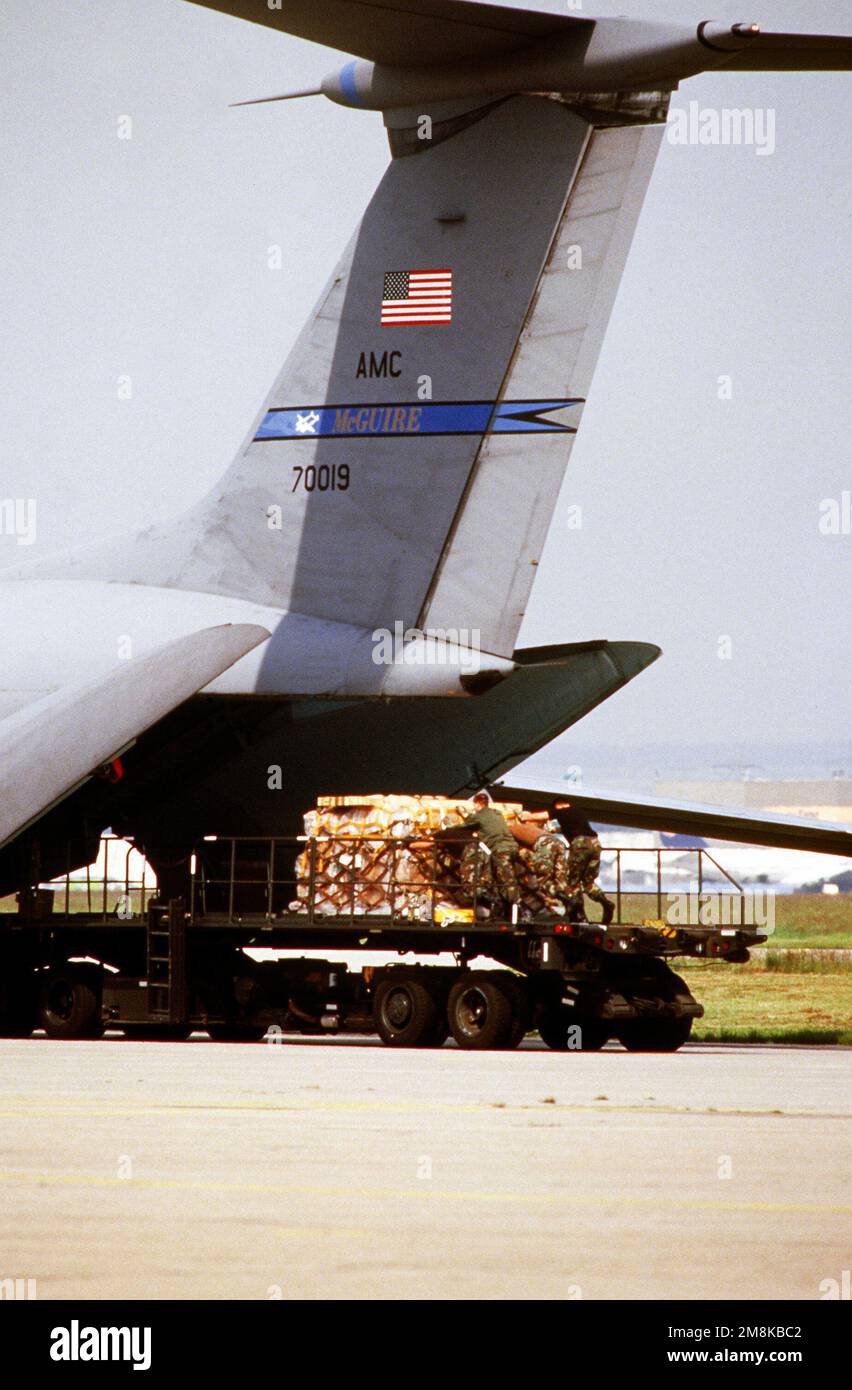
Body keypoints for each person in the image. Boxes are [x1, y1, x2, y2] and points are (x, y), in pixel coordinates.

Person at [411, 790, 521, 918]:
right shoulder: (495, 815)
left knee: (471, 888)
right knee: (489, 882)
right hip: (486, 852)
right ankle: (501, 907)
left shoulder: (444, 833)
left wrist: (410, 844)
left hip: (473, 854)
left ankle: (492, 904)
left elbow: (426, 844)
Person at [551, 800, 615, 925]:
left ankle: (579, 915)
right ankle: (605, 902)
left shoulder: (563, 812)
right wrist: (556, 830)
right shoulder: (577, 813)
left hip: (581, 845)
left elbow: (542, 815)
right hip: (595, 843)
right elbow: (567, 828)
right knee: (588, 882)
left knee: (572, 882)